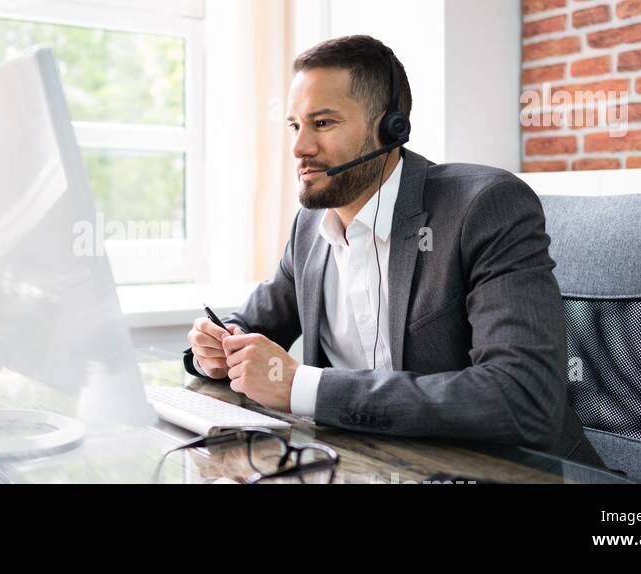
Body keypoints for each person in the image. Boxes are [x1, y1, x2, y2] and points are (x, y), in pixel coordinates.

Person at [184, 35, 603, 467]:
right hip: (370, 466)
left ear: (390, 129)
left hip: (510, 471)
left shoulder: (482, 208)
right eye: (295, 125)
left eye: (323, 123)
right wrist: (213, 350)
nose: (299, 148)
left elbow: (521, 397)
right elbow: (249, 324)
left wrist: (302, 387)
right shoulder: (311, 227)